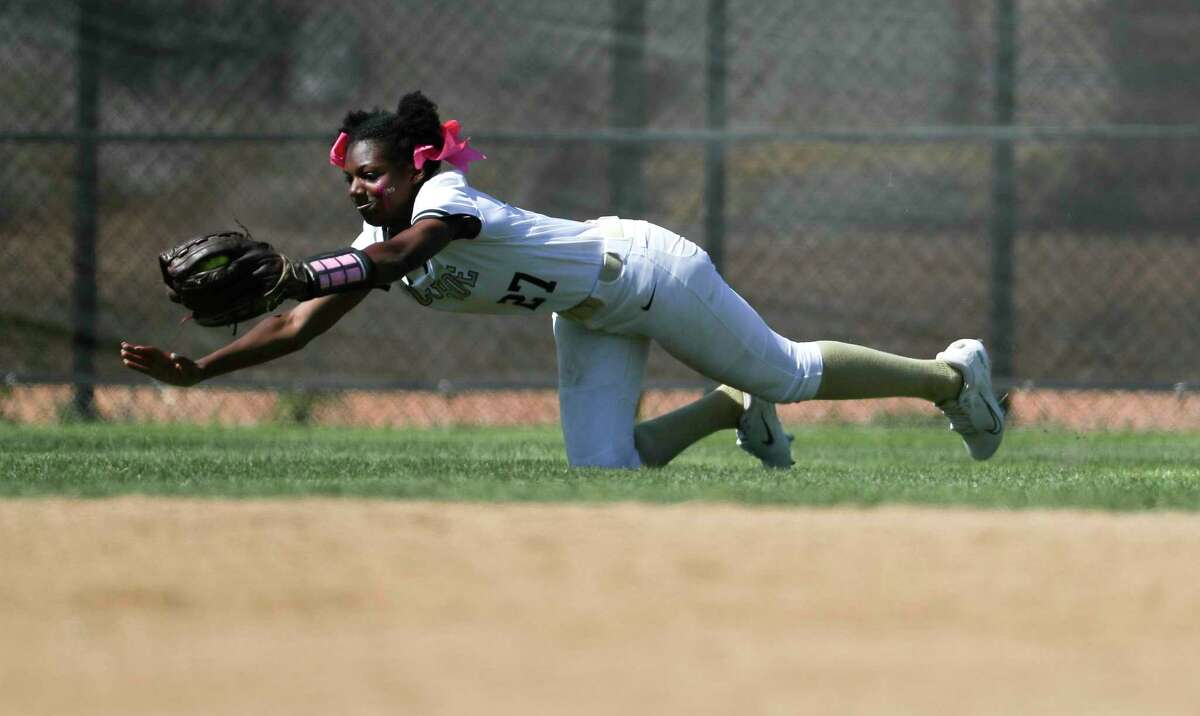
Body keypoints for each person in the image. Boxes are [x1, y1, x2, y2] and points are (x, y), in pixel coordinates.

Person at [121, 91, 1005, 469]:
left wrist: (297, 272)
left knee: (787, 370)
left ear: (417, 165)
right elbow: (301, 324)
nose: (362, 187)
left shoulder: (446, 198)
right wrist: (204, 371)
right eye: (353, 175)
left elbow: (396, 260)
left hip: (646, 272)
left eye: (376, 174)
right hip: (586, 310)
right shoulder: (375, 230)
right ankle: (730, 407)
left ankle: (952, 378)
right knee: (604, 472)